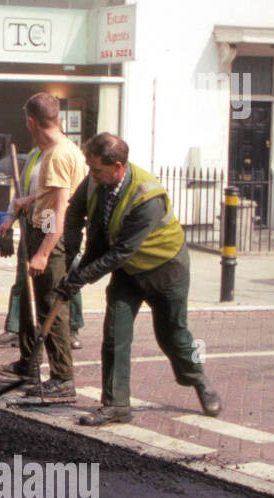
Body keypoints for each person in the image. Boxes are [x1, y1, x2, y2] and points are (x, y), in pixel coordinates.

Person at [57, 132, 222, 426]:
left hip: (165, 272)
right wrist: (70, 255)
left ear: (118, 166)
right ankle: (116, 405)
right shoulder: (96, 181)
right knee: (114, 334)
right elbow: (74, 213)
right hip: (128, 274)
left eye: (95, 168)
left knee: (173, 336)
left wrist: (79, 279)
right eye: (89, 167)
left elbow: (121, 251)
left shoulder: (147, 196)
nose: (90, 174)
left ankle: (198, 379)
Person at [0, 93, 86, 400]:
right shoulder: (59, 149)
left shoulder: (57, 154)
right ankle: (29, 364)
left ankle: (62, 379)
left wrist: (43, 252)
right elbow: (55, 196)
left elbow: (60, 209)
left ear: (31, 121)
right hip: (40, 226)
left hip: (50, 234)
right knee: (32, 299)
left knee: (51, 306)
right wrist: (24, 204)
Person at [0, 145, 84, 349]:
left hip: (54, 219)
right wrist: (10, 218)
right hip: (33, 220)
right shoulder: (34, 154)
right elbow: (20, 191)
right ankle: (15, 328)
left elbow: (66, 195)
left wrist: (31, 200)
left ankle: (71, 329)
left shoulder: (65, 154)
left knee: (62, 275)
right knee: (24, 276)